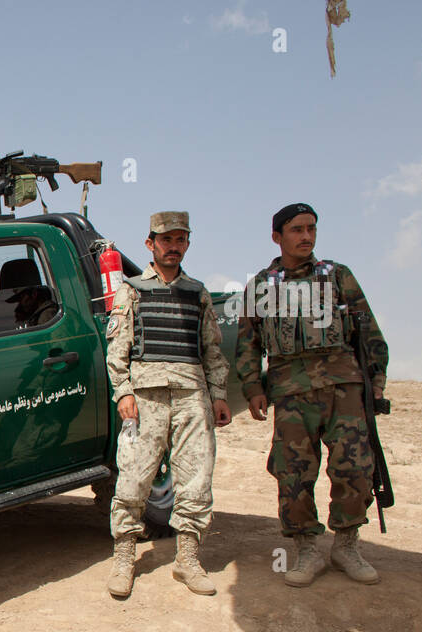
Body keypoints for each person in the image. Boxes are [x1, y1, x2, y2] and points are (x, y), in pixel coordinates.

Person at [235, 202, 390, 586]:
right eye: (297, 230)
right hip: (290, 392)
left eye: (311, 229)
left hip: (344, 388)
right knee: (292, 473)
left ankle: (346, 545)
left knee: (355, 468)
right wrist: (253, 386)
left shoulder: (337, 276)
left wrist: (377, 380)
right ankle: (307, 549)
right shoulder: (261, 286)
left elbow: (368, 329)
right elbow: (249, 342)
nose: (306, 236)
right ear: (278, 237)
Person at [105, 211, 232, 598]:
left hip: (193, 396)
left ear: (187, 244)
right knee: (133, 478)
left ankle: (187, 560)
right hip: (146, 398)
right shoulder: (132, 290)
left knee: (196, 479)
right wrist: (122, 391)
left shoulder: (198, 292)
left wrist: (220, 395)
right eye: (165, 240)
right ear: (150, 244)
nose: (173, 246)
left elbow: (212, 349)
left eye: (180, 240)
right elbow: (117, 347)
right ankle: (124, 557)